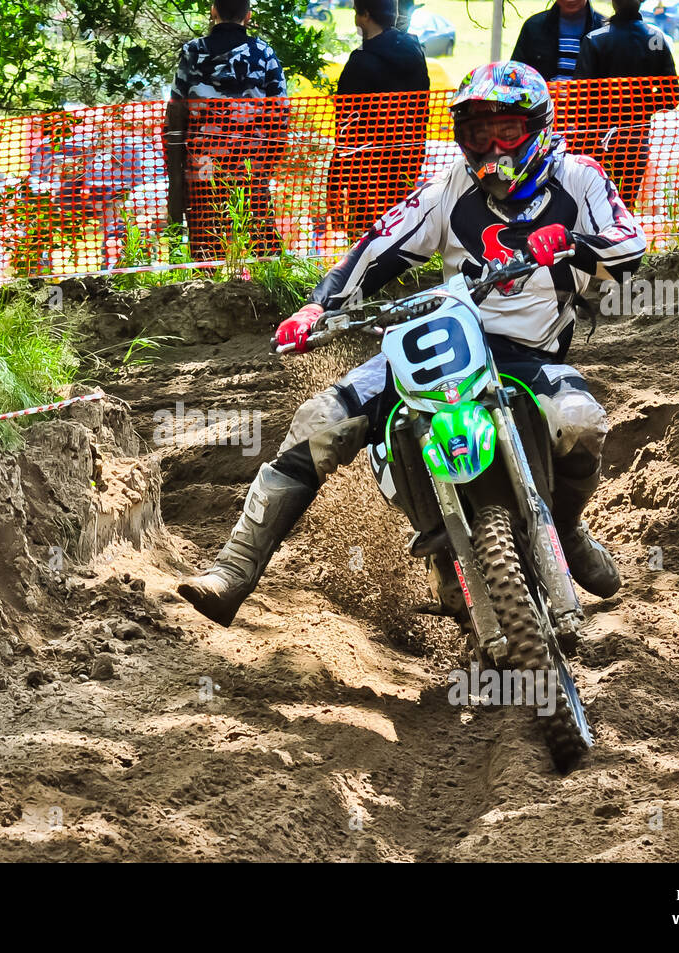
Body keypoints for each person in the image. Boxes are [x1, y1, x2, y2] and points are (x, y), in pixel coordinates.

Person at [179, 61, 648, 628]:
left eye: (506, 130)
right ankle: (233, 571)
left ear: (539, 127)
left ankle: (567, 529)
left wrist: (572, 241)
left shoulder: (580, 179)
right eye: (478, 132)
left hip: (531, 354)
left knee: (581, 422)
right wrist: (317, 306)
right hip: (450, 341)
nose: (492, 145)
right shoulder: (450, 186)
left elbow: (629, 246)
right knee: (319, 419)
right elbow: (379, 247)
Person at [164, 0, 287, 261]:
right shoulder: (264, 54)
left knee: (206, 258)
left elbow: (175, 114)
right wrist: (267, 167)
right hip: (251, 172)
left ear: (213, 11)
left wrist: (177, 174)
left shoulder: (193, 52)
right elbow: (280, 116)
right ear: (248, 16)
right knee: (263, 254)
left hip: (203, 173)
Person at [328, 0, 431, 238]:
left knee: (362, 240)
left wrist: (335, 178)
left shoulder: (359, 64)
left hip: (365, 171)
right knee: (397, 234)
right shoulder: (416, 54)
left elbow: (345, 127)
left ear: (365, 15)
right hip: (407, 159)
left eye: (356, 12)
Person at [573, 0, 679, 210]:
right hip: (636, 136)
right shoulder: (655, 38)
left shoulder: (595, 39)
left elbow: (580, 97)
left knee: (593, 203)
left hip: (597, 139)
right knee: (625, 206)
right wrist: (645, 107)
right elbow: (672, 96)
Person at [511, 0, 608, 81]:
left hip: (589, 102)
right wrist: (544, 90)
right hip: (544, 102)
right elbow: (514, 75)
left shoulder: (605, 31)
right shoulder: (533, 27)